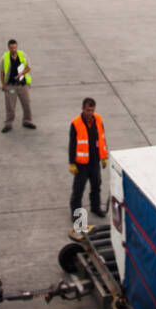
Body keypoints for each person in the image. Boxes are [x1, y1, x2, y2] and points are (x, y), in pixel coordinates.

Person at [68, 97, 108, 236]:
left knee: (96, 185)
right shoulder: (76, 123)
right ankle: (76, 213)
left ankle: (95, 208)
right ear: (83, 109)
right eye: (87, 110)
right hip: (81, 163)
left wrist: (104, 156)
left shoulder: (98, 119)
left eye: (92, 110)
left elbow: (102, 138)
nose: (90, 113)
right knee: (78, 189)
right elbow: (72, 144)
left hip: (94, 161)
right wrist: (72, 162)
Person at [0, 38, 36, 132]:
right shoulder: (5, 58)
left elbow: (29, 68)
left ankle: (27, 121)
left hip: (22, 85)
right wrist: (3, 85)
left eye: (15, 47)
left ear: (17, 47)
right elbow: (2, 72)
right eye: (11, 48)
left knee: (26, 103)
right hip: (11, 86)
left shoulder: (23, 55)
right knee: (10, 106)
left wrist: (22, 74)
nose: (13, 49)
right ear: (8, 48)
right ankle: (8, 124)